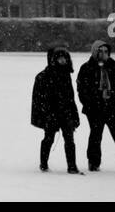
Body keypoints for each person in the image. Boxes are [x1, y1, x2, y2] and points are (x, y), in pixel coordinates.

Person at [76, 39, 115, 173]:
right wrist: (90, 104)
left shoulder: (110, 65)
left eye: (106, 51)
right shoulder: (86, 67)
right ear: (94, 52)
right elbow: (81, 90)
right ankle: (93, 163)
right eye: (101, 51)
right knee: (96, 136)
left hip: (112, 107)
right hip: (95, 109)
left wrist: (109, 61)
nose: (104, 54)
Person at [30, 46, 81, 174]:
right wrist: (46, 114)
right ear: (54, 60)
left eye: (65, 58)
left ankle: (72, 166)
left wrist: (74, 115)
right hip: (51, 114)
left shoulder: (66, 75)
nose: (63, 61)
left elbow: (70, 97)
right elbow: (39, 99)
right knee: (49, 138)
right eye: (60, 58)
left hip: (66, 113)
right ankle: (43, 163)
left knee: (69, 140)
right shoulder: (43, 76)